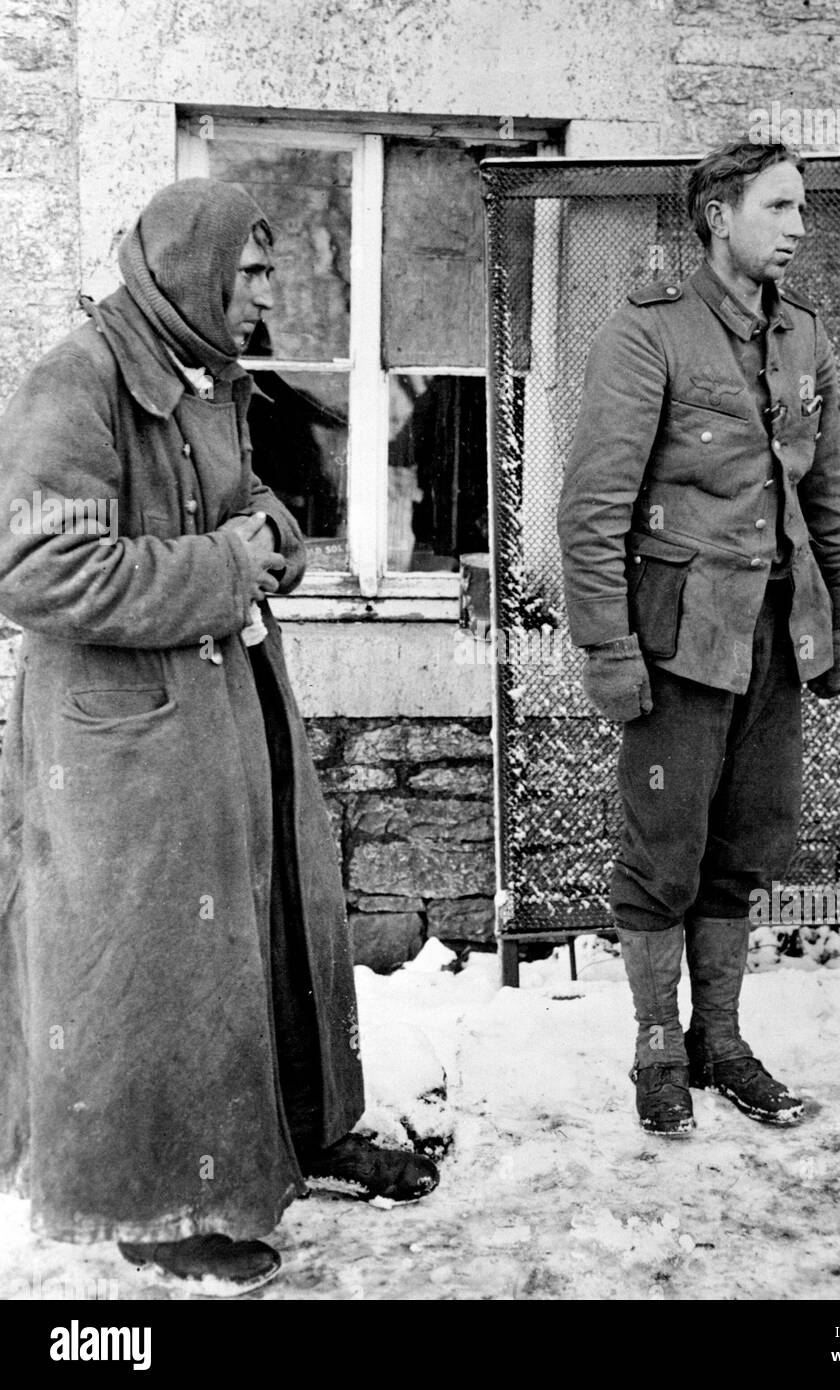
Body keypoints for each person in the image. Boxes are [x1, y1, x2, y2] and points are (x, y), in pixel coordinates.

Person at [0, 179, 438, 1294]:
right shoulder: (81, 377)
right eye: (248, 273)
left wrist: (275, 540)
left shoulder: (204, 371)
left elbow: (249, 507)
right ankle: (160, 1201)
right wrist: (223, 570)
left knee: (283, 917)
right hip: (124, 744)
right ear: (191, 267)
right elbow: (37, 570)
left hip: (231, 702)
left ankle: (297, 1135)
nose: (262, 293)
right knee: (155, 968)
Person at [557, 139, 840, 1138]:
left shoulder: (805, 340)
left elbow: (830, 499)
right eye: (777, 207)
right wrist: (606, 646)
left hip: (776, 637)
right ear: (716, 214)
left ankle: (720, 1040)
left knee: (741, 848)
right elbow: (592, 508)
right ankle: (656, 1042)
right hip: (679, 643)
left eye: (803, 210)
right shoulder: (649, 335)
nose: (797, 227)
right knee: (663, 852)